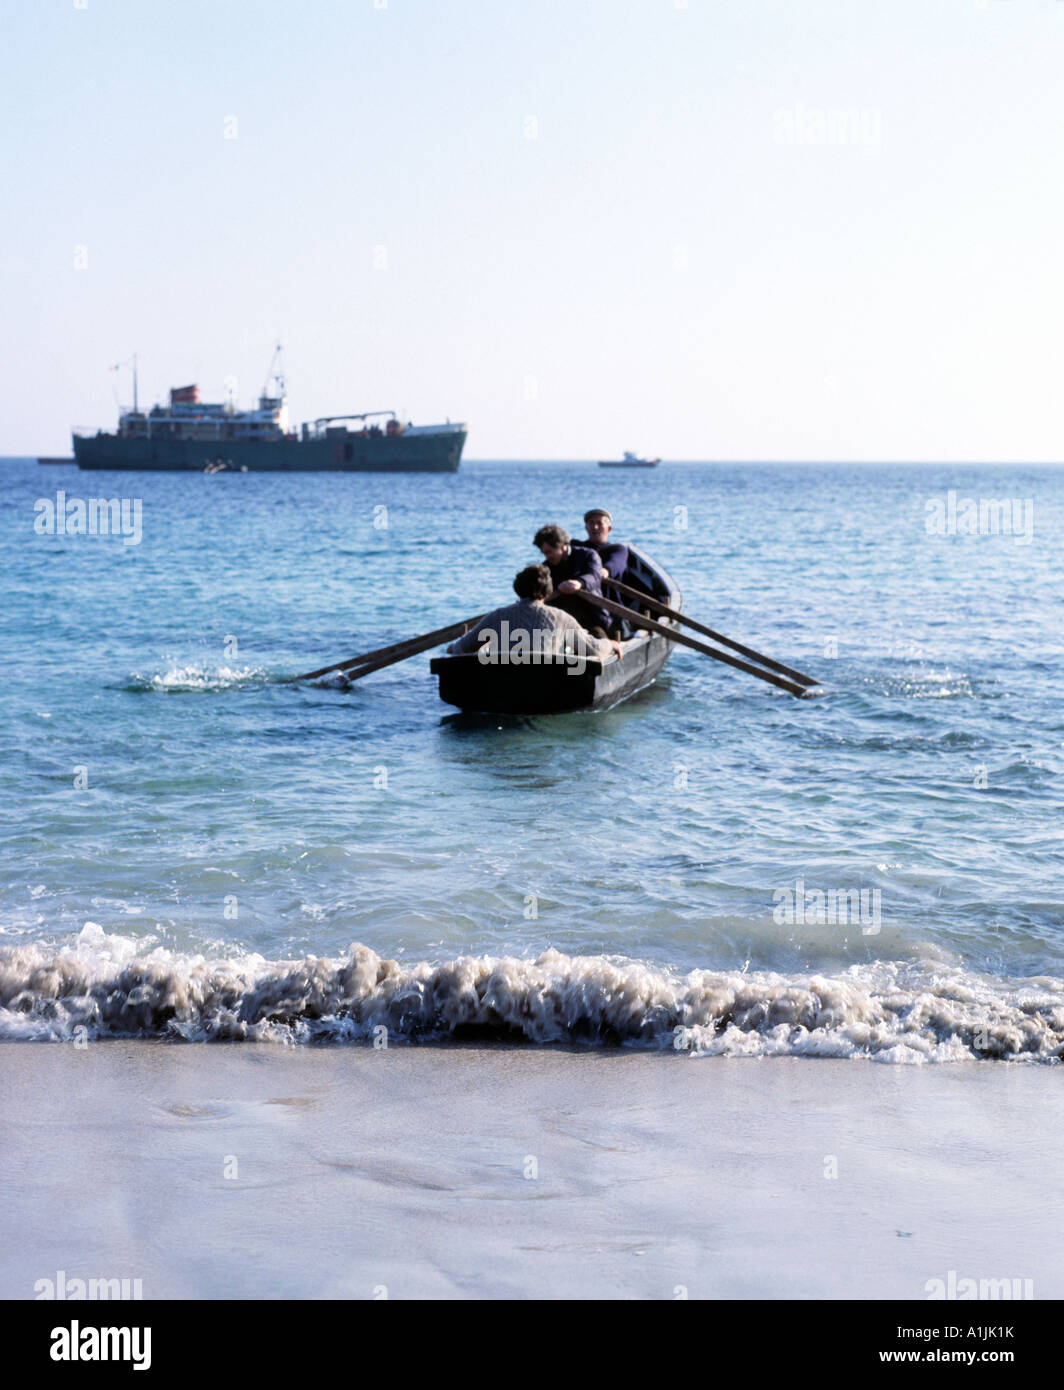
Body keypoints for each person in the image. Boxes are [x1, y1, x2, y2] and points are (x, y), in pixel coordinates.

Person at [446, 565, 621, 663]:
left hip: (502, 684)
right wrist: (611, 644)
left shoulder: (497, 616)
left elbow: (462, 648)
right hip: (544, 686)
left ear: (518, 588)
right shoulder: (561, 618)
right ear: (548, 590)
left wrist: (454, 646)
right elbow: (594, 650)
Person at [532, 523, 610, 636]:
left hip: (593, 618)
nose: (547, 557)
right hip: (561, 623)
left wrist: (579, 583)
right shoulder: (546, 568)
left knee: (599, 637)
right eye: (544, 553)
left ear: (562, 545)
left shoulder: (588, 555)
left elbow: (594, 576)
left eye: (549, 552)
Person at [579, 508, 630, 639]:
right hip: (580, 607)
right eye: (591, 523)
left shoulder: (617, 549)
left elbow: (616, 564)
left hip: (608, 609)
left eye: (599, 523)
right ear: (586, 528)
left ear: (609, 528)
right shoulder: (577, 548)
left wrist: (604, 571)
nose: (595, 527)